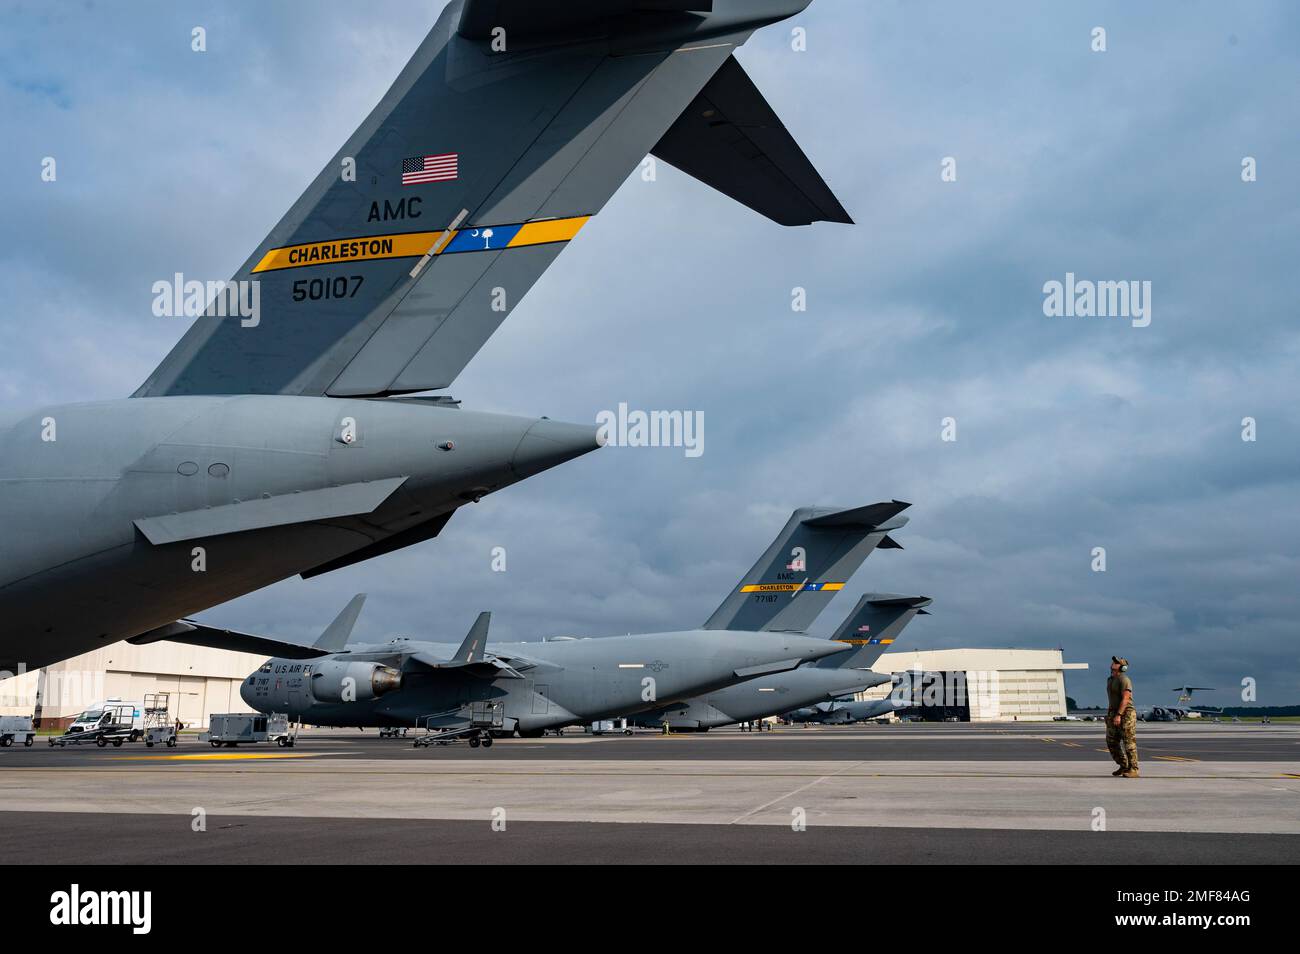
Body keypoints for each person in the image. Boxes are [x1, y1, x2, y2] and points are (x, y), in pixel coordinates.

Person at [1106, 656, 1139, 778]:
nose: (1113, 663)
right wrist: (1111, 714)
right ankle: (1123, 765)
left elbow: (1125, 699)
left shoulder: (1124, 679)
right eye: (1113, 662)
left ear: (1122, 667)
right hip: (1113, 713)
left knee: (1129, 742)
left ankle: (1134, 769)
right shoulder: (1110, 679)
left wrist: (1119, 715)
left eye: (1116, 662)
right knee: (1111, 741)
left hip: (1126, 714)